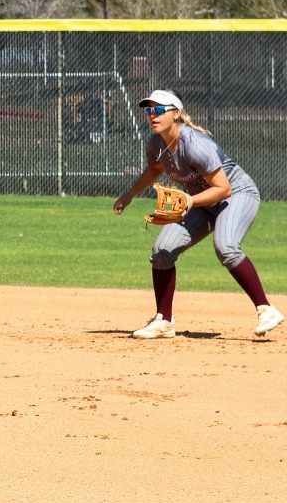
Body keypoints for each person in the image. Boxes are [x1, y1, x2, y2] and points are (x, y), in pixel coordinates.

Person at [114, 88, 280, 339]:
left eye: (159, 110)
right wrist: (130, 194)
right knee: (162, 250)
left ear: (176, 114)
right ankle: (164, 321)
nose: (152, 115)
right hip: (202, 201)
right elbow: (154, 169)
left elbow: (223, 189)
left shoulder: (195, 145)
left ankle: (266, 309)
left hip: (237, 194)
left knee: (226, 246)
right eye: (149, 111)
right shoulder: (156, 143)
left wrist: (189, 200)